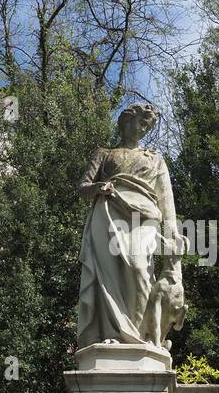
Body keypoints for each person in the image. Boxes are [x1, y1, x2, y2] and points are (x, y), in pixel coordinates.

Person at [76, 102, 184, 349]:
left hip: (144, 216)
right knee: (107, 275)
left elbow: (166, 199)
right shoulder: (103, 154)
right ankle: (111, 334)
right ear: (126, 121)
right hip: (107, 211)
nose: (145, 128)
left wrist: (172, 235)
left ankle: (139, 335)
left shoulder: (155, 160)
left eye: (149, 125)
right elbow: (83, 188)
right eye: (141, 122)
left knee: (138, 267)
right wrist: (97, 188)